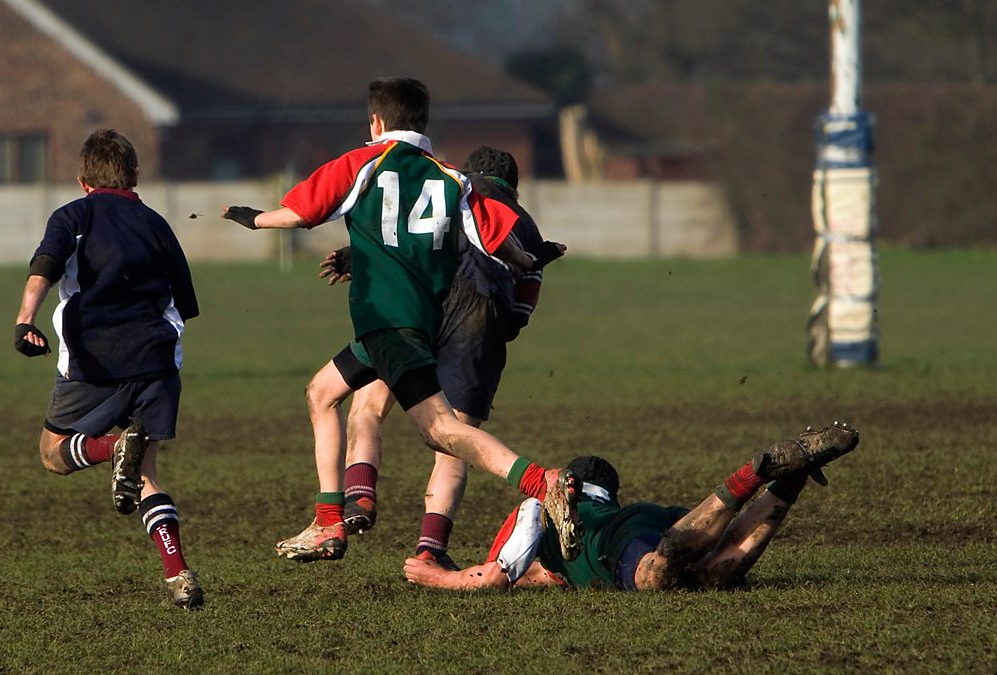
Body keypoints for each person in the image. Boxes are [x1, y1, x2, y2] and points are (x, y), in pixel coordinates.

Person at [220, 77, 580, 564]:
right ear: (423, 121)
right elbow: (499, 242)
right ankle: (329, 519)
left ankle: (543, 481)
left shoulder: (361, 162)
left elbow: (301, 213)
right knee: (321, 392)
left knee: (441, 432)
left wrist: (255, 218)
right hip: (415, 324)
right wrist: (532, 258)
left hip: (387, 323)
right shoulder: (453, 179)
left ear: (375, 121)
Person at [319, 147, 556, 570]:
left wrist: (354, 256)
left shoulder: (451, 191)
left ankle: (360, 496)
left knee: (368, 406)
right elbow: (521, 311)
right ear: (514, 188)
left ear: (469, 171)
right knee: (454, 444)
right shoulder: (526, 226)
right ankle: (430, 549)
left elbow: (402, 241)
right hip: (479, 322)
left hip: (420, 308)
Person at [13, 128, 203, 609]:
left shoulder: (72, 216)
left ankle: (112, 446)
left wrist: (24, 320)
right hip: (158, 360)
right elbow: (186, 302)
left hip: (95, 360)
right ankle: (178, 574)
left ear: (83, 181)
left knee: (53, 453)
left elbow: (45, 266)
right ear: (135, 175)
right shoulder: (156, 223)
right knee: (146, 472)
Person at [403, 422, 859, 591]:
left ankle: (752, 475)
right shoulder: (624, 510)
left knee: (654, 575)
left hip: (614, 544)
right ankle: (790, 477)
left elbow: (496, 575)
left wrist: (437, 576)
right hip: (654, 518)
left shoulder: (538, 506)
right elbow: (539, 576)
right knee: (712, 571)